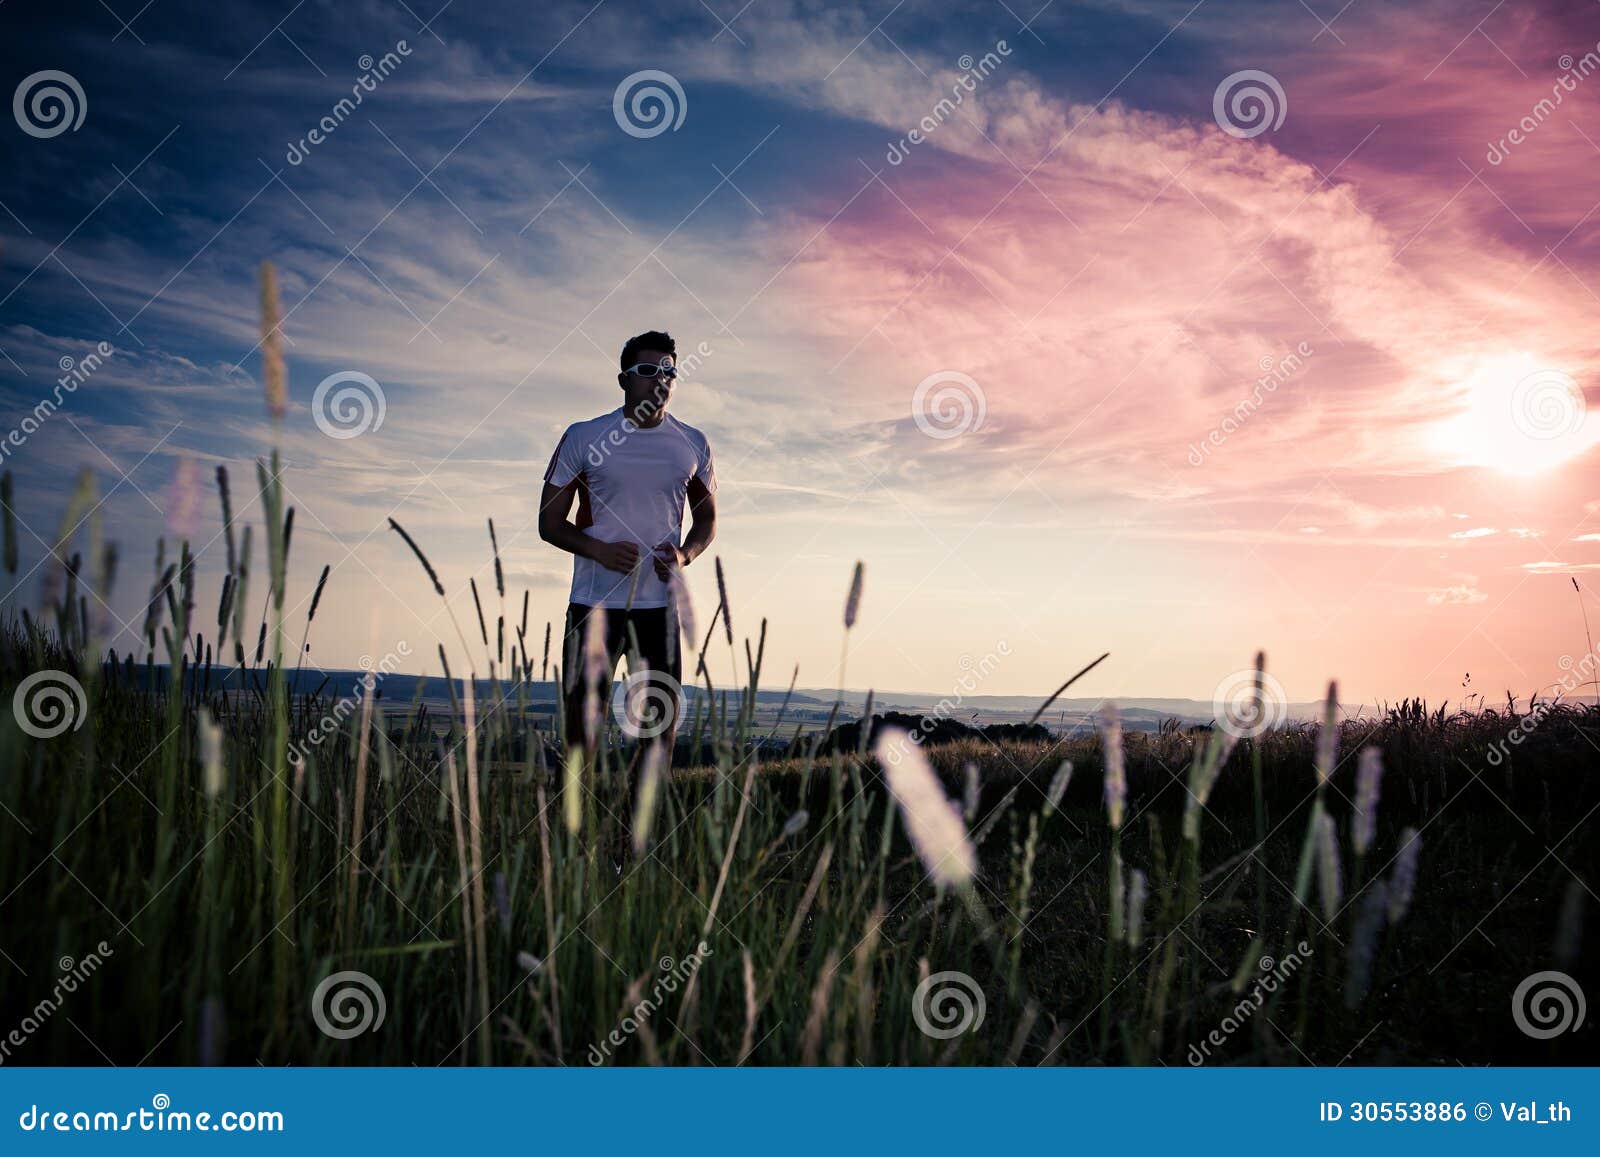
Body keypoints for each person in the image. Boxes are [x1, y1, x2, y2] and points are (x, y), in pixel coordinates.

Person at [538, 330, 717, 765]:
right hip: (593, 607)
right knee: (582, 735)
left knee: (658, 735)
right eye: (648, 370)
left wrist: (684, 555)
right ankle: (576, 811)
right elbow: (548, 523)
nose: (660, 380)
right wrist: (599, 551)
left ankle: (638, 813)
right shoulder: (584, 436)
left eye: (669, 372)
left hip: (660, 610)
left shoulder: (693, 443)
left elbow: (707, 520)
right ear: (624, 380)